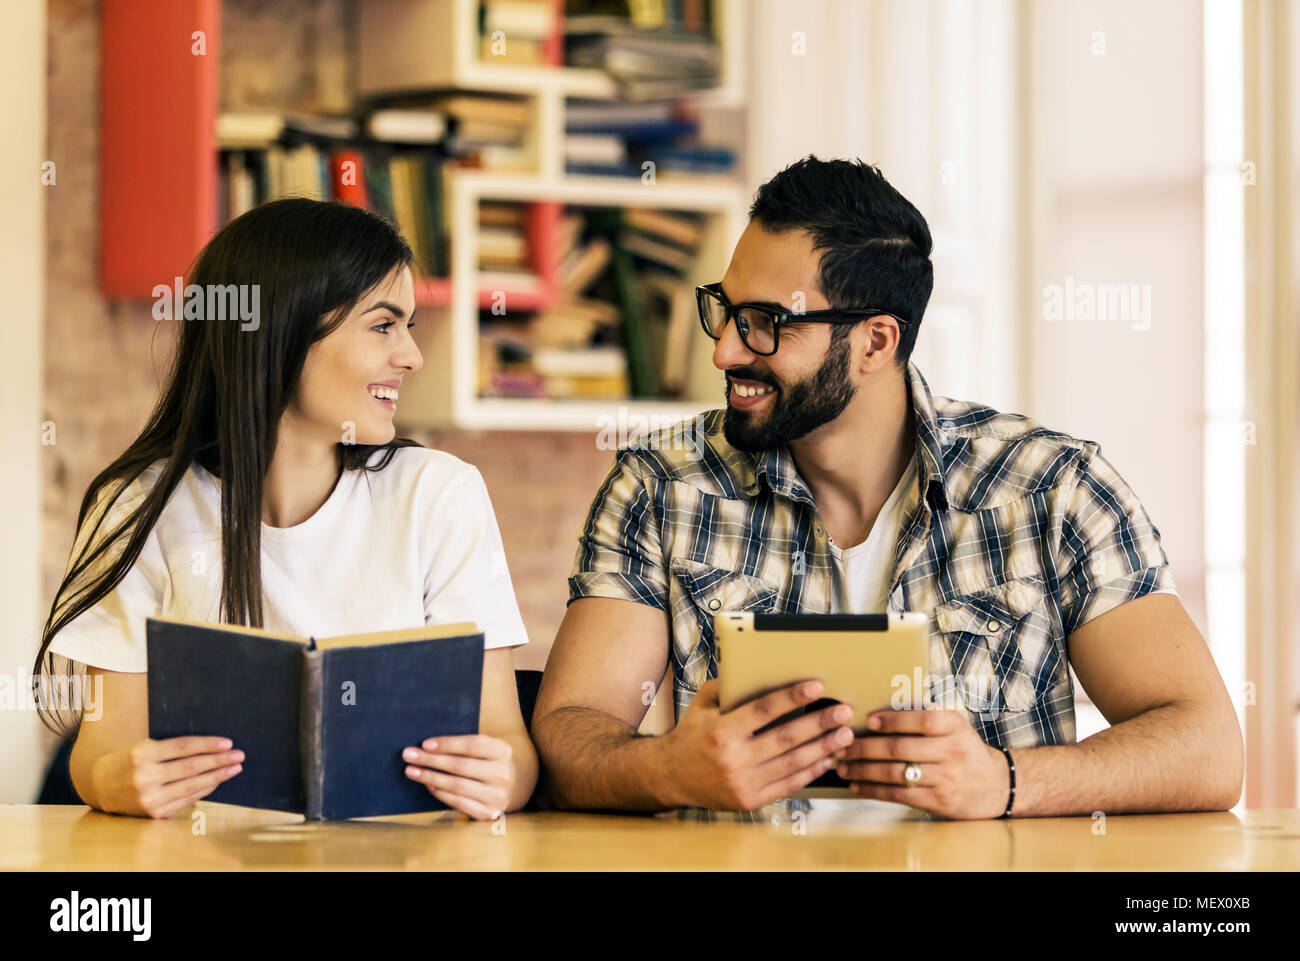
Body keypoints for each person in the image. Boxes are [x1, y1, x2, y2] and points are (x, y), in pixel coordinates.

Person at [532, 156, 1243, 820]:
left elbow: (1208, 747)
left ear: (875, 342)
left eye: (766, 325)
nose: (725, 349)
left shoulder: (1053, 489)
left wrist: (1005, 781)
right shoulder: (660, 485)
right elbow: (568, 736)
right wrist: (668, 770)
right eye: (725, 307)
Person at [36, 198, 538, 821]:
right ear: (281, 330)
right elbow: (98, 752)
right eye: (384, 326)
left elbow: (510, 747)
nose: (411, 355)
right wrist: (122, 779)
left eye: (408, 326)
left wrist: (500, 778)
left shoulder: (439, 495)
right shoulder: (140, 508)